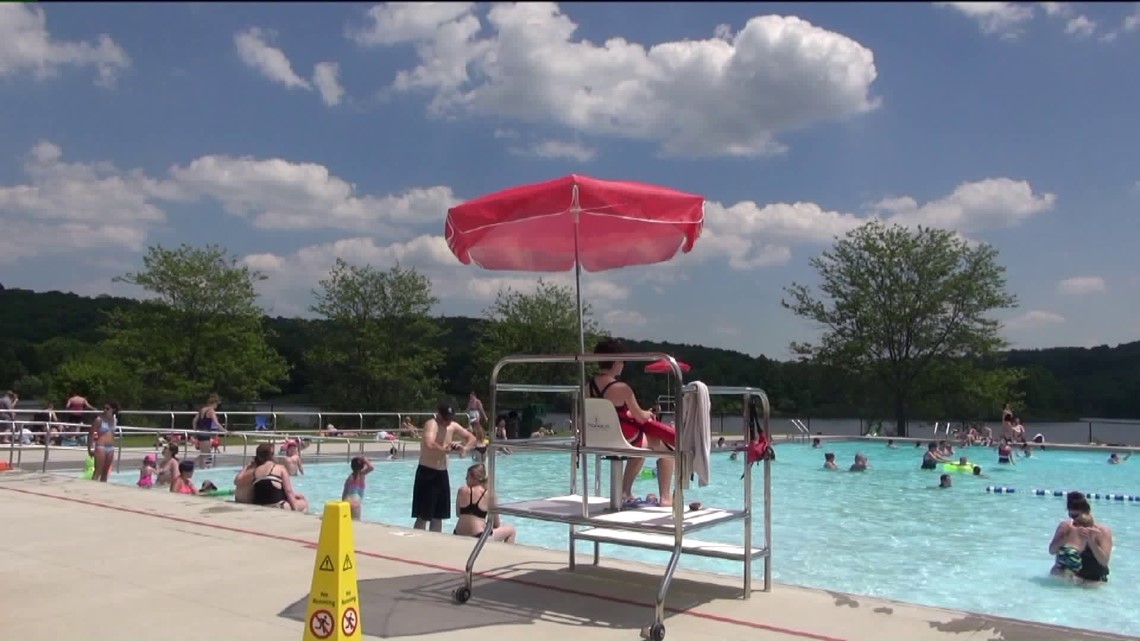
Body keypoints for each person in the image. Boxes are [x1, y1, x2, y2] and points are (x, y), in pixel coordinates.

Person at [590, 339, 677, 508]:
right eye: (623, 361)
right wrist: (648, 413)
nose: (623, 365)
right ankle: (665, 498)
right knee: (668, 447)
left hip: (597, 438)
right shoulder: (622, 388)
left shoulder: (587, 386)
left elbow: (610, 412)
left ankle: (626, 492)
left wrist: (628, 414)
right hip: (623, 439)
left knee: (641, 447)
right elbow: (641, 417)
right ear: (616, 362)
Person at [412, 403, 476, 532]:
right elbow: (429, 443)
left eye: (450, 418)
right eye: (446, 418)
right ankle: (417, 541)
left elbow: (471, 438)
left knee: (438, 516)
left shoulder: (452, 426)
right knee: (423, 515)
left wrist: (464, 448)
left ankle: (434, 542)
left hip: (442, 473)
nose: (448, 421)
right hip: (427, 473)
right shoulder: (431, 425)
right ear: (439, 414)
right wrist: (444, 450)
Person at [1049, 491, 1112, 584]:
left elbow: (1104, 561)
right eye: (1071, 515)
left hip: (1092, 580)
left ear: (1087, 512)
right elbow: (1051, 551)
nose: (1073, 520)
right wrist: (1065, 538)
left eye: (1076, 516)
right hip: (1066, 578)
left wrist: (1091, 541)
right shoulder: (1066, 527)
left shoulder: (1102, 532)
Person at [453, 463, 516, 543]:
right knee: (511, 530)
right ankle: (505, 554)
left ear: (473, 478)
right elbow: (496, 524)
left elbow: (458, 514)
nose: (465, 479)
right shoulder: (490, 495)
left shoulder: (461, 490)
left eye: (467, 477)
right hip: (478, 536)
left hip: (458, 533)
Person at [235, 443, 306, 511]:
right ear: (272, 455)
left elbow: (237, 481)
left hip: (259, 504)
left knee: (298, 496)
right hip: (277, 505)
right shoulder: (280, 468)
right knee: (304, 504)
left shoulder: (255, 471)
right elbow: (288, 491)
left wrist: (246, 467)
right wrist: (295, 508)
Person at [86, 401, 119, 482]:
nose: (105, 410)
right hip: (101, 447)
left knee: (105, 472)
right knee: (98, 471)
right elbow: (91, 434)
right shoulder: (99, 420)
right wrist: (89, 448)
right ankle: (92, 488)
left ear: (113, 409)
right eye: (104, 408)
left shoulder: (114, 420)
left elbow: (112, 434)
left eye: (107, 408)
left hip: (110, 447)